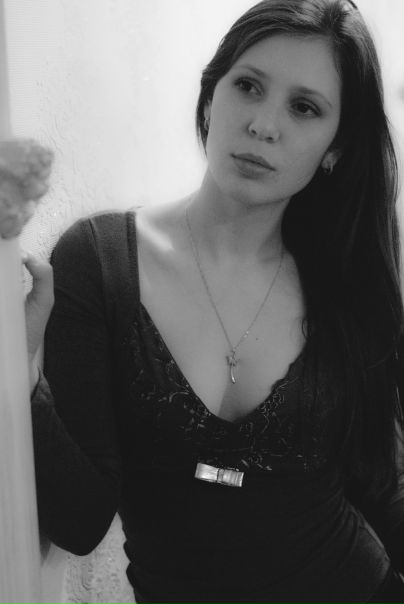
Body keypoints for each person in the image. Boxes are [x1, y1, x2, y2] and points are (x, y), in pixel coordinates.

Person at [24, 0, 404, 602]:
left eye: (304, 107)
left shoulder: (344, 281)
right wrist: (20, 377)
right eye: (248, 86)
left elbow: (381, 483)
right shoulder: (98, 263)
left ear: (336, 146)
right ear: (210, 97)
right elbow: (80, 521)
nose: (263, 125)